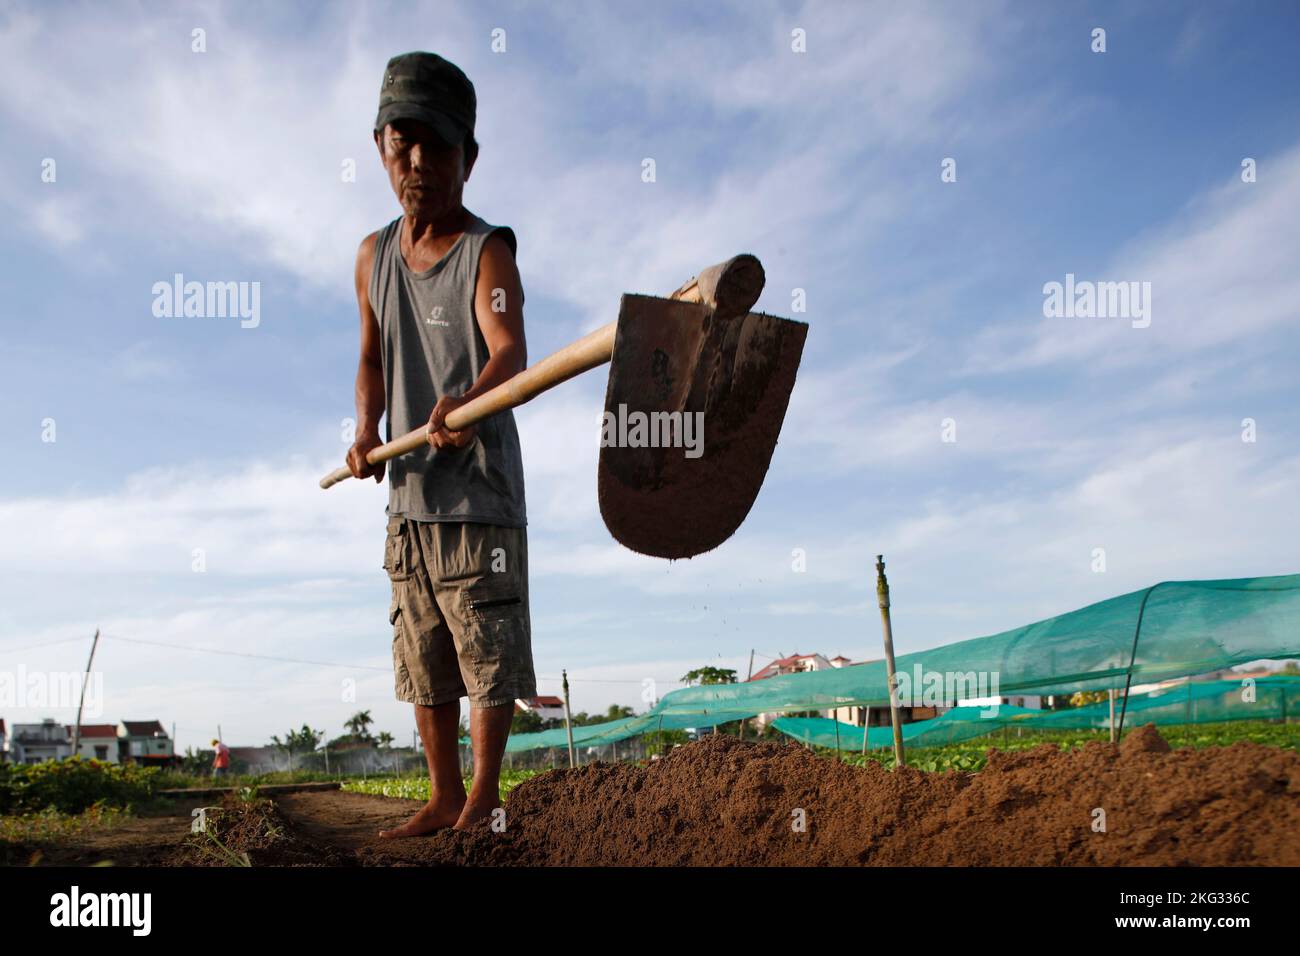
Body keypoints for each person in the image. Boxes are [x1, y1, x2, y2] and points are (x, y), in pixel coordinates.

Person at [346, 52, 535, 836]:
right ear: (382, 145)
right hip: (408, 499)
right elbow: (369, 355)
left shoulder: (487, 250)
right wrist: (365, 427)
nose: (418, 162)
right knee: (422, 654)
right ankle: (445, 796)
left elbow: (511, 350)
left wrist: (469, 400)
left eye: (439, 146)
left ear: (470, 158)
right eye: (404, 142)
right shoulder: (372, 256)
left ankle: (485, 798)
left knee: (484, 650)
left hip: (477, 496)